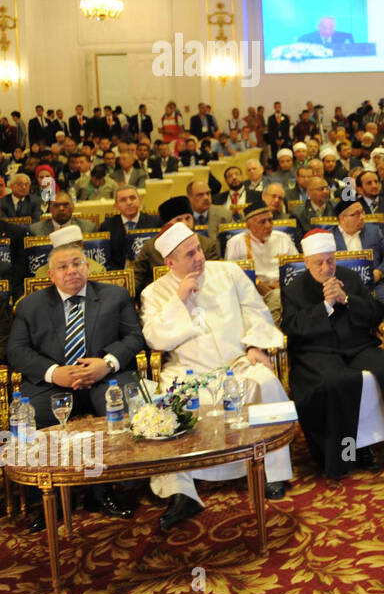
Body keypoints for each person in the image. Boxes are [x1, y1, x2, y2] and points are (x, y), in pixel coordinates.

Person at [140, 222, 294, 531]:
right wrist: (179, 299)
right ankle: (181, 493)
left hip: (236, 364)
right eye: (188, 255)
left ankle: (273, 473)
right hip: (187, 373)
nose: (199, 258)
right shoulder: (155, 293)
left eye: (198, 249)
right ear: (170, 263)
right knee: (164, 407)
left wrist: (254, 344)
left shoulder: (229, 273)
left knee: (265, 381)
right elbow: (156, 339)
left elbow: (256, 310)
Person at [7, 226, 145, 530]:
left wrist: (106, 363)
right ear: (51, 275)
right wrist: (54, 373)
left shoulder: (114, 296)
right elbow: (15, 351)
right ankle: (47, 500)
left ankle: (106, 491)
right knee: (28, 419)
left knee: (121, 405)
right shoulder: (30, 305)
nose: (72, 272)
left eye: (77, 264)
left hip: (103, 379)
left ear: (88, 266)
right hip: (52, 385)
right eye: (63, 267)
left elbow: (135, 337)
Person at [281, 229, 384, 478]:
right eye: (319, 263)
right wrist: (326, 306)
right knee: (341, 382)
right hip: (318, 352)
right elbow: (293, 328)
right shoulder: (295, 288)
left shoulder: (349, 278)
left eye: (330, 261)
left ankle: (377, 445)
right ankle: (347, 454)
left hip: (358, 346)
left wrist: (347, 299)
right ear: (307, 262)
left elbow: (375, 314)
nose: (326, 267)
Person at [224, 199, 298, 322]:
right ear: (249, 226)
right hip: (252, 292)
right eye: (262, 222)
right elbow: (231, 276)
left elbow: (296, 268)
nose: (268, 225)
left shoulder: (283, 238)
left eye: (270, 220)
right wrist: (257, 284)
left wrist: (282, 284)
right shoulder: (236, 243)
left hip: (282, 289)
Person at [132, 196, 221, 295]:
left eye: (188, 218)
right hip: (163, 296)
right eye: (178, 220)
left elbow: (213, 274)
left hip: (203, 292)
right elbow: (138, 279)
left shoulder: (208, 244)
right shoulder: (150, 248)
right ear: (167, 225)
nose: (185, 224)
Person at [330, 197, 384, 314]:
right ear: (342, 218)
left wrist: (380, 272)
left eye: (362, 212)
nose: (362, 217)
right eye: (356, 214)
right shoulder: (329, 237)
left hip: (374, 284)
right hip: (342, 287)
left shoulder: (373, 231)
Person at [103, 185, 161, 270]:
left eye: (132, 198)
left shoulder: (155, 222)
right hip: (119, 275)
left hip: (149, 273)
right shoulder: (107, 226)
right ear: (116, 205)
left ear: (140, 200)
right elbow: (107, 258)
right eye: (123, 200)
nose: (129, 202)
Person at [28, 191, 94, 237]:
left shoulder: (87, 229)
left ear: (73, 207)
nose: (61, 209)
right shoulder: (35, 230)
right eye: (56, 205)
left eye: (65, 205)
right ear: (50, 209)